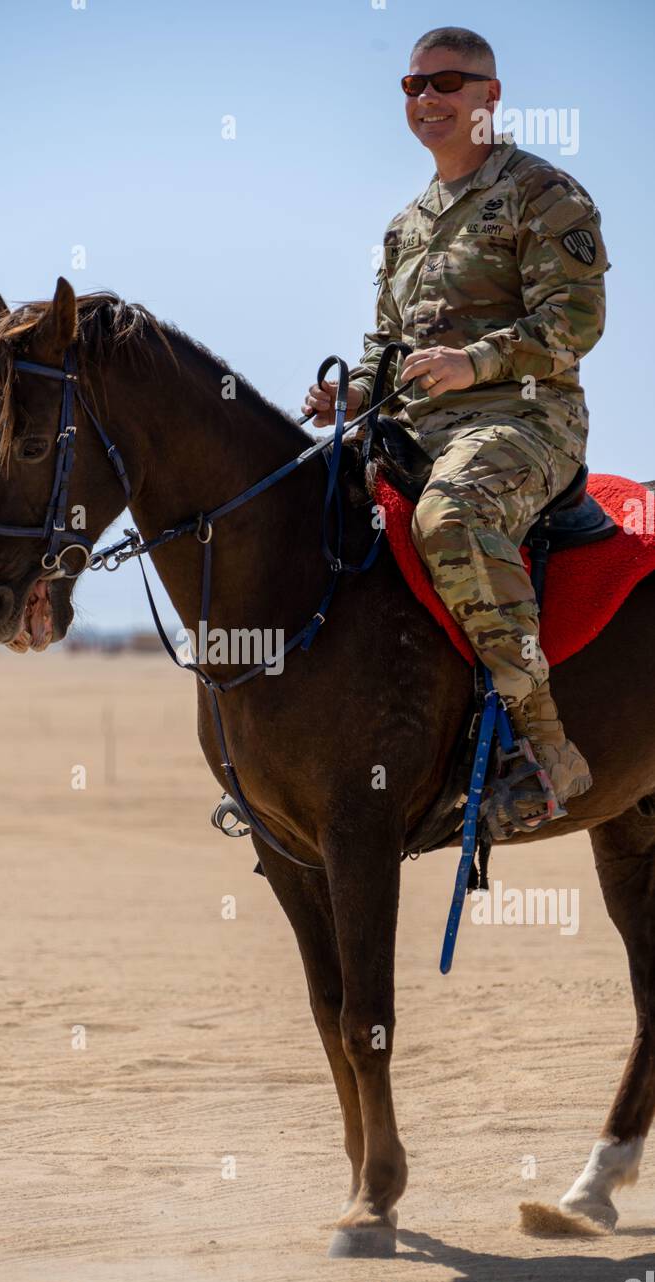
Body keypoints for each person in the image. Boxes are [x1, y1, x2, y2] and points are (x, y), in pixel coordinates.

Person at [304, 25, 609, 830]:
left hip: (524, 420)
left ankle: (538, 747)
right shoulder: (407, 224)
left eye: (447, 83)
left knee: (452, 514)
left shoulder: (546, 195)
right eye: (414, 87)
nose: (428, 99)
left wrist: (475, 364)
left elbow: (574, 322)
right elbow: (385, 343)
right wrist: (352, 393)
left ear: (490, 96)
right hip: (413, 427)